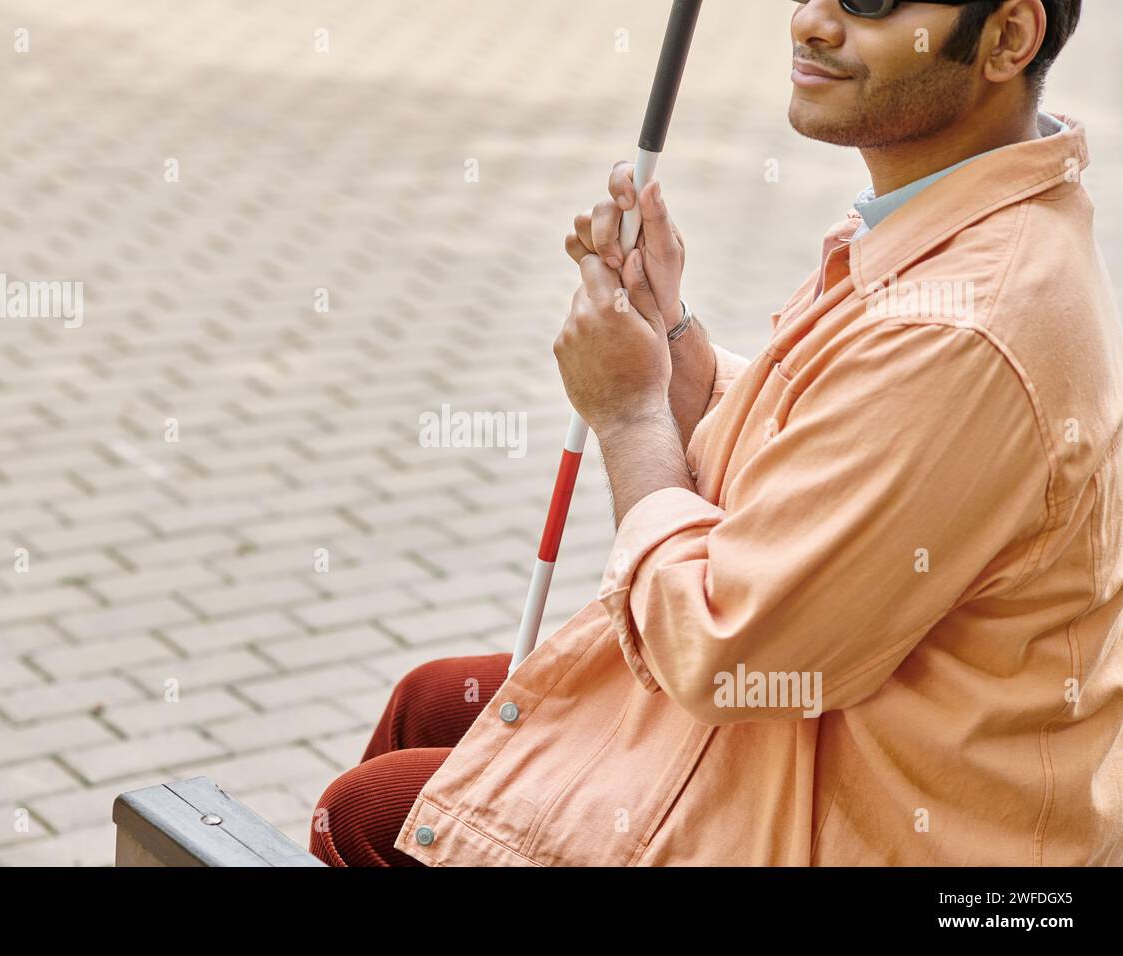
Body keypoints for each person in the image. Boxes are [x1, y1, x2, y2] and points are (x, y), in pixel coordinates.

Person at [310, 0, 1122, 866]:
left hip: (872, 821)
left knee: (364, 813)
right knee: (429, 699)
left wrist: (629, 416)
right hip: (813, 734)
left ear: (1007, 37)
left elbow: (723, 650)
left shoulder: (959, 329)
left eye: (870, 2)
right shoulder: (952, 223)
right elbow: (823, 451)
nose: (809, 22)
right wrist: (669, 343)